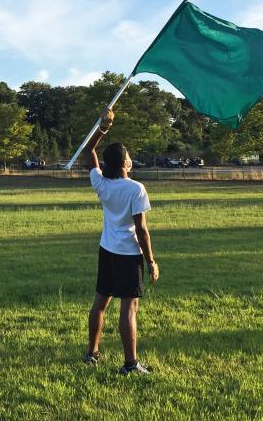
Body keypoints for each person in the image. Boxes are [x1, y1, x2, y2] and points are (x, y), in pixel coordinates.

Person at [82, 108, 159, 374]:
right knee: (129, 308)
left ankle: (92, 353)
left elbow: (88, 151)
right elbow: (141, 229)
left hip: (107, 251)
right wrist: (151, 261)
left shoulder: (101, 184)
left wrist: (103, 128)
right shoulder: (136, 189)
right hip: (128, 255)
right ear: (124, 163)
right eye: (128, 157)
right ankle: (130, 364)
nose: (131, 159)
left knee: (100, 303)